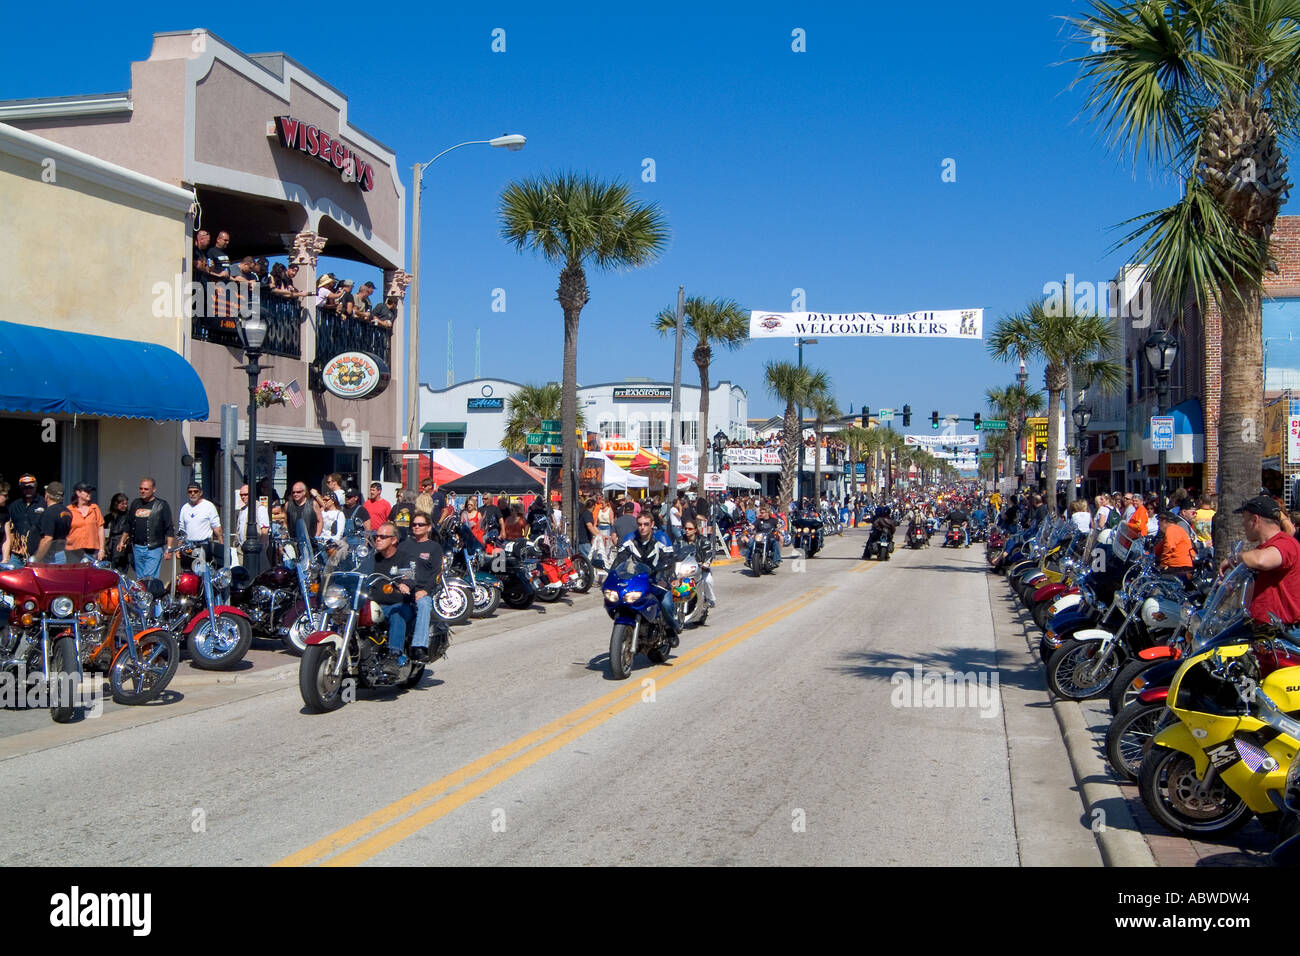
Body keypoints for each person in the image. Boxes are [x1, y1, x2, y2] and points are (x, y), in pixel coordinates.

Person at [1219, 496, 1300, 630]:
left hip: (1282, 635)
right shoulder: (1263, 549)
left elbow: (1261, 560)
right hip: (1261, 631)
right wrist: (1229, 588)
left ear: (1255, 520)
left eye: (1244, 519)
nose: (1243, 525)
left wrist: (1233, 557)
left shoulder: (1285, 543)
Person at [611, 511, 683, 644]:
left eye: (646, 524)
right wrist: (611, 575)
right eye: (639, 524)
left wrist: (665, 577)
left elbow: (669, 560)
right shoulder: (630, 539)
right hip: (637, 579)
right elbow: (620, 559)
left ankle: (670, 629)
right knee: (621, 599)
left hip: (658, 578)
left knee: (666, 603)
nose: (642, 527)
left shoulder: (661, 538)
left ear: (652, 524)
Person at [369, 523, 418, 669]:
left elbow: (410, 575)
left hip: (398, 605)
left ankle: (394, 654)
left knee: (397, 613)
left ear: (394, 540)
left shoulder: (404, 558)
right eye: (376, 536)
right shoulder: (371, 559)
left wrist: (406, 584)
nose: (378, 539)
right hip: (375, 605)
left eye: (383, 537)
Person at [401, 512, 446, 662]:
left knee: (424, 604)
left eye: (420, 524)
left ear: (428, 527)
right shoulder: (404, 545)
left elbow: (436, 574)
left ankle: (419, 647)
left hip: (422, 590)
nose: (417, 527)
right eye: (414, 524)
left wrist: (424, 590)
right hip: (402, 588)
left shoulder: (434, 548)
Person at [129, 478, 175, 579]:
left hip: (154, 548)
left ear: (153, 489)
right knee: (140, 579)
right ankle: (146, 594)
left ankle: (150, 594)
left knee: (149, 578)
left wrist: (169, 549)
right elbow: (129, 524)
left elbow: (169, 528)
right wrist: (122, 541)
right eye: (141, 488)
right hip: (137, 547)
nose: (142, 491)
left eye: (146, 489)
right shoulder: (136, 503)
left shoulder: (161, 505)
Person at [178, 482, 222, 566]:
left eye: (195, 491)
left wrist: (221, 546)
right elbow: (181, 529)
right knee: (188, 571)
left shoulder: (208, 506)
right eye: (190, 492)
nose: (193, 494)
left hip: (204, 545)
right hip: (188, 546)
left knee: (201, 571)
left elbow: (217, 528)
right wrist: (178, 548)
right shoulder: (184, 508)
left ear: (200, 493)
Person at [32, 482, 73, 564]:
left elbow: (47, 539)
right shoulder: (67, 512)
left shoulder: (49, 513)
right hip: (61, 553)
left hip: (49, 557)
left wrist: (37, 559)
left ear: (47, 495)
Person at [679, 519, 716, 610]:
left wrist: (706, 562)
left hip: (700, 568)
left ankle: (710, 599)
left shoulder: (703, 540)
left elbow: (708, 552)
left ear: (695, 530)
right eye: (686, 528)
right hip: (684, 568)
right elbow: (674, 551)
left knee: (707, 580)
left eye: (690, 528)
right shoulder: (680, 541)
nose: (687, 530)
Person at [65, 483, 105, 564]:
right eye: (87, 491)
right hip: (73, 550)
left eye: (90, 492)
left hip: (92, 550)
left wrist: (102, 549)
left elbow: (100, 529)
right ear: (78, 493)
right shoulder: (68, 510)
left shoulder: (94, 508)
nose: (89, 494)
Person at [7, 474, 44, 559]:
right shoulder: (14, 506)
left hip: (37, 554)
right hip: (17, 555)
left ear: (36, 486)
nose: (28, 490)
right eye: (24, 488)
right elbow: (10, 531)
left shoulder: (44, 504)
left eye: (31, 487)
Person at [747, 502, 782, 567]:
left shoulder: (773, 520)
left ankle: (776, 560)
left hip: (769, 538)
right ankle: (748, 560)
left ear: (767, 513)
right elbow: (753, 525)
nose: (761, 514)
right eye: (761, 512)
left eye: (762, 513)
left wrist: (778, 526)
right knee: (750, 542)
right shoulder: (758, 520)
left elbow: (778, 525)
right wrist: (750, 527)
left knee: (775, 543)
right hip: (759, 537)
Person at [105, 492, 132, 571]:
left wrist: (124, 542)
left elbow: (129, 531)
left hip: (122, 544)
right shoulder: (108, 517)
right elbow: (105, 533)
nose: (125, 506)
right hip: (110, 545)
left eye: (126, 504)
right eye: (122, 504)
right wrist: (104, 546)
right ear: (115, 503)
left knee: (120, 569)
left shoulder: (128, 516)